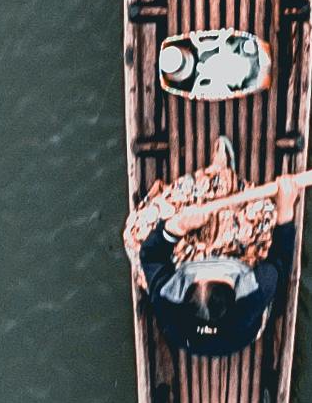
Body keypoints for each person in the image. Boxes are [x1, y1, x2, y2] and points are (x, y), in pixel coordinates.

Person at [125, 140, 297, 356]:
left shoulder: (166, 296)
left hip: (188, 293)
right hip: (237, 264)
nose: (210, 256)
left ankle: (215, 178)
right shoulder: (254, 292)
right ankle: (223, 177)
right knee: (266, 212)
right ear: (237, 290)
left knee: (135, 232)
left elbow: (149, 255)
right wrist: (286, 207)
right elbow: (279, 260)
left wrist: (176, 227)